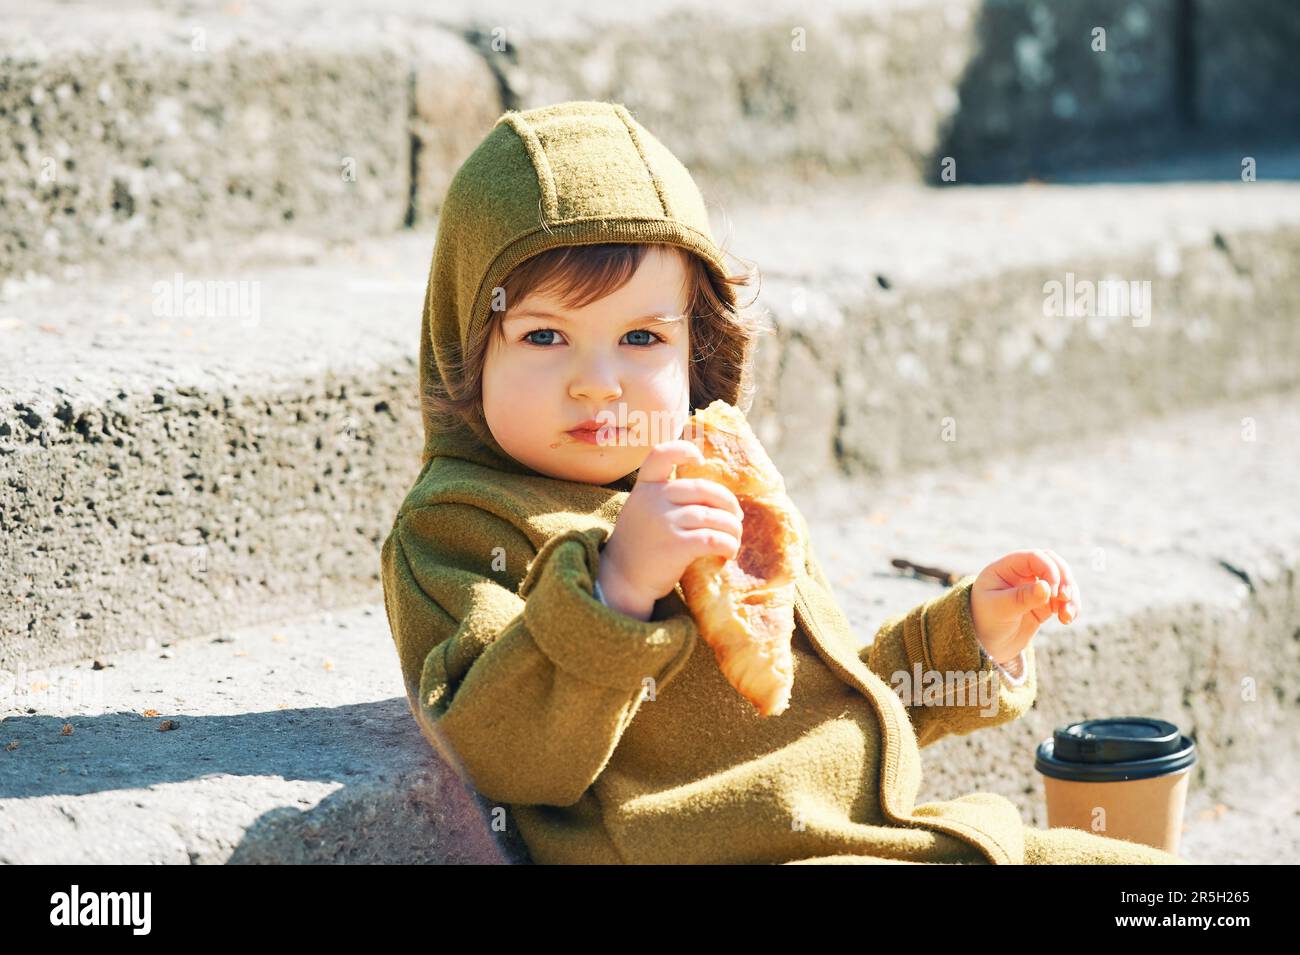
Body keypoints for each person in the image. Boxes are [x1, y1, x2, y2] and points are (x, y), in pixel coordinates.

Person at [379, 99, 1192, 865]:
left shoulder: (723, 480)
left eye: (638, 336)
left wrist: (970, 637)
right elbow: (504, 752)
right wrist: (616, 583)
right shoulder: (460, 523)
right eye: (546, 334)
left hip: (881, 833)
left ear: (695, 348)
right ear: (467, 346)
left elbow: (823, 702)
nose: (598, 382)